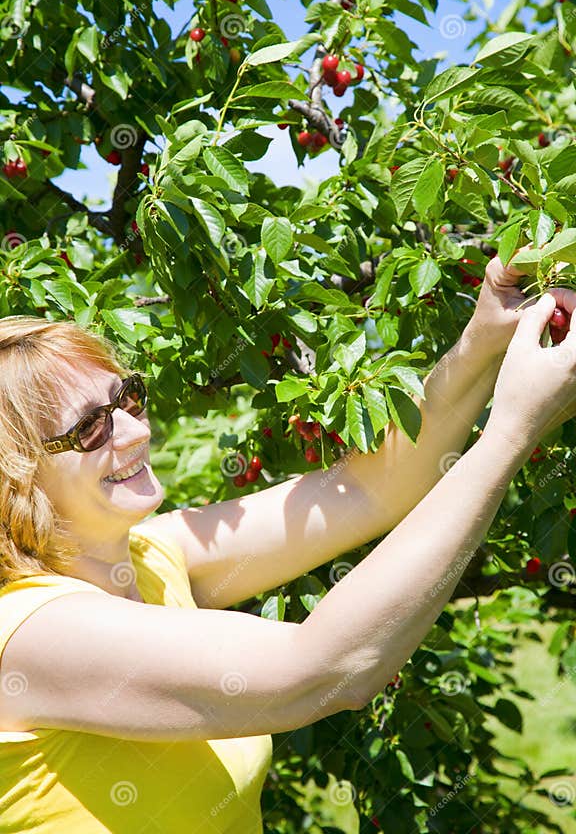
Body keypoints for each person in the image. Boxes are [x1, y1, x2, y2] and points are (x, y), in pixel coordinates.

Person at [0, 256, 575, 834]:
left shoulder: (153, 555)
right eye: (91, 428)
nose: (137, 430)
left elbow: (367, 490)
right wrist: (510, 434)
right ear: (17, 476)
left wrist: (483, 340)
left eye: (127, 398)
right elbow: (327, 670)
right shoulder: (28, 633)